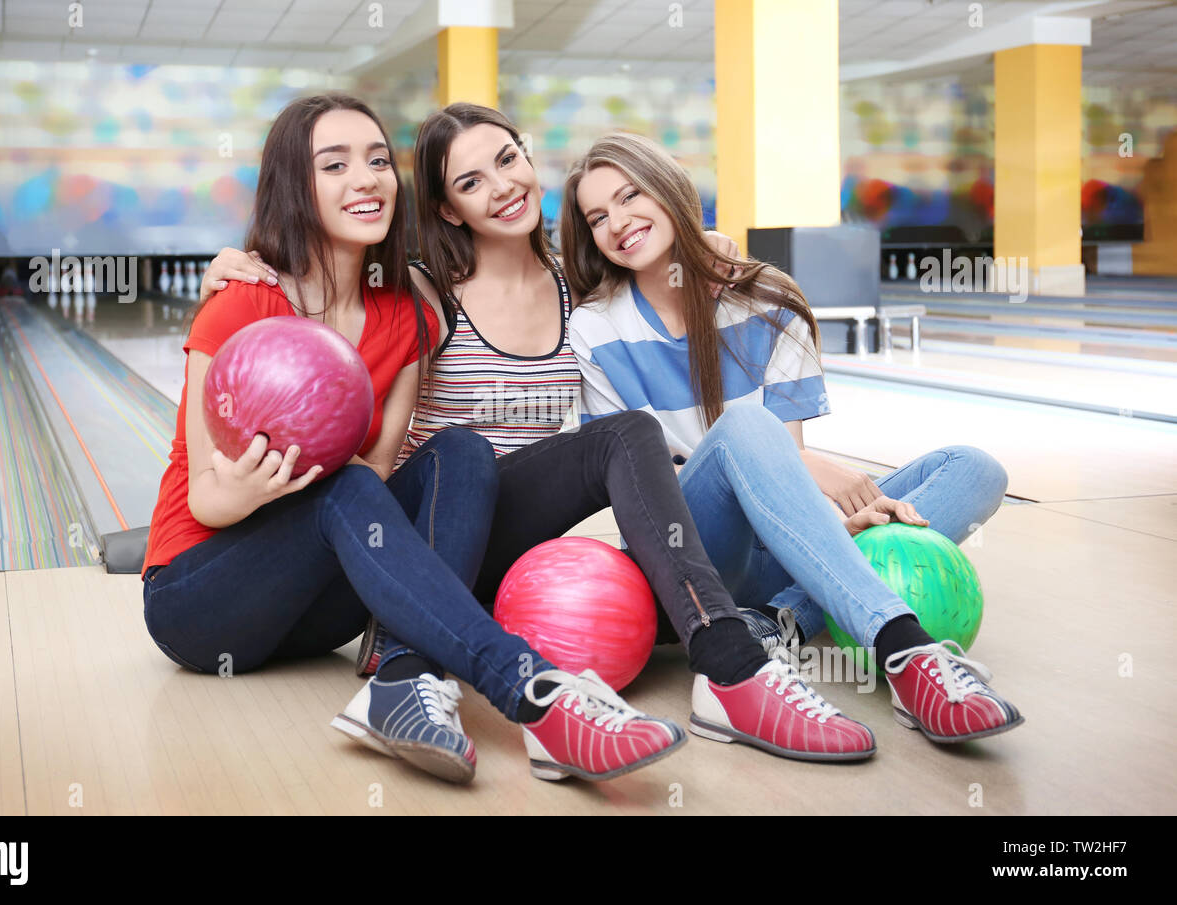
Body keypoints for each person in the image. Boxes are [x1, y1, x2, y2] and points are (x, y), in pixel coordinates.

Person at [202, 103, 881, 763]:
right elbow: (318, 310)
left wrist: (712, 247)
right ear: (447, 209)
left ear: (528, 158)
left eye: (507, 159)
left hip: (514, 531)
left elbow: (674, 270)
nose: (501, 187)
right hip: (436, 534)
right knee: (466, 455)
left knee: (629, 432)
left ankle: (728, 659)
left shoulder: (575, 284)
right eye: (470, 182)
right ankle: (415, 647)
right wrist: (232, 264)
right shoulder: (423, 287)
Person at [143, 94, 687, 787]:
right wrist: (254, 489)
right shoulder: (245, 303)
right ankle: (535, 695)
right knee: (344, 484)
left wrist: (703, 256)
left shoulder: (402, 316)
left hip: (316, 614)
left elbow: (375, 483)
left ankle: (404, 675)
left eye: (376, 160)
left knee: (458, 449)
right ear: (294, 186)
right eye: (334, 164)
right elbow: (208, 501)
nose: (365, 178)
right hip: (200, 600)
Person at [560, 131, 1024, 745]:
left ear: (669, 189)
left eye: (628, 196)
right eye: (597, 217)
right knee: (744, 428)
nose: (617, 222)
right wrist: (812, 474)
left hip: (779, 541)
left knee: (975, 468)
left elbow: (787, 453)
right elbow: (644, 490)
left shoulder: (770, 300)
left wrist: (829, 507)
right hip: (688, 549)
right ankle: (908, 655)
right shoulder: (594, 328)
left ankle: (779, 620)